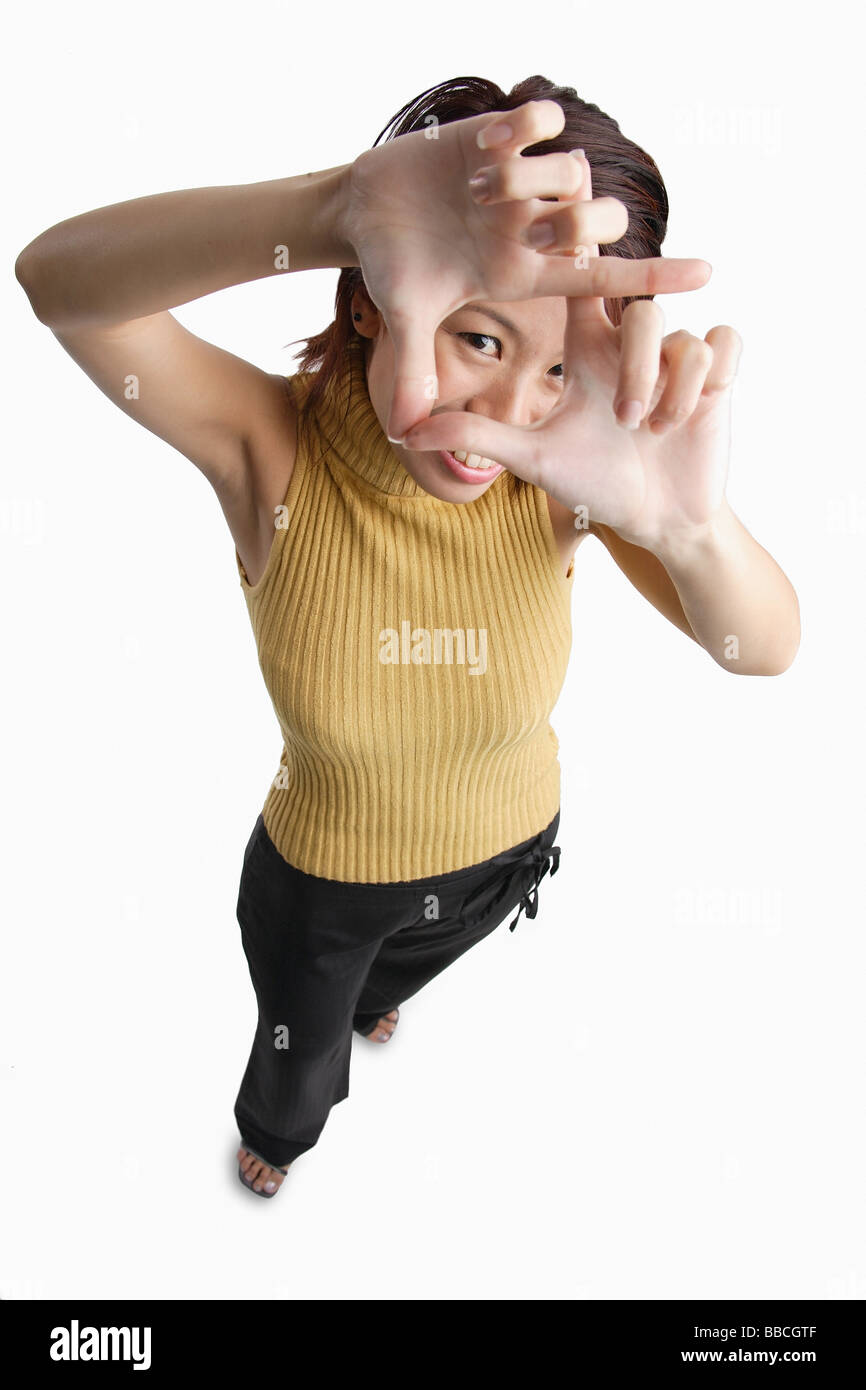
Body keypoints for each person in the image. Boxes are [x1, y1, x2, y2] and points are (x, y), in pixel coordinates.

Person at [14, 74, 800, 1200]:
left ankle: (392, 992)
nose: (508, 418)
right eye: (480, 338)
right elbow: (58, 285)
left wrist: (684, 524)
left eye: (560, 370)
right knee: (298, 1059)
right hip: (322, 895)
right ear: (379, 294)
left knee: (404, 981)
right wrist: (332, 209)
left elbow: (761, 648)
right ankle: (278, 1139)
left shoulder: (561, 479)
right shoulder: (268, 452)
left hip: (502, 857)